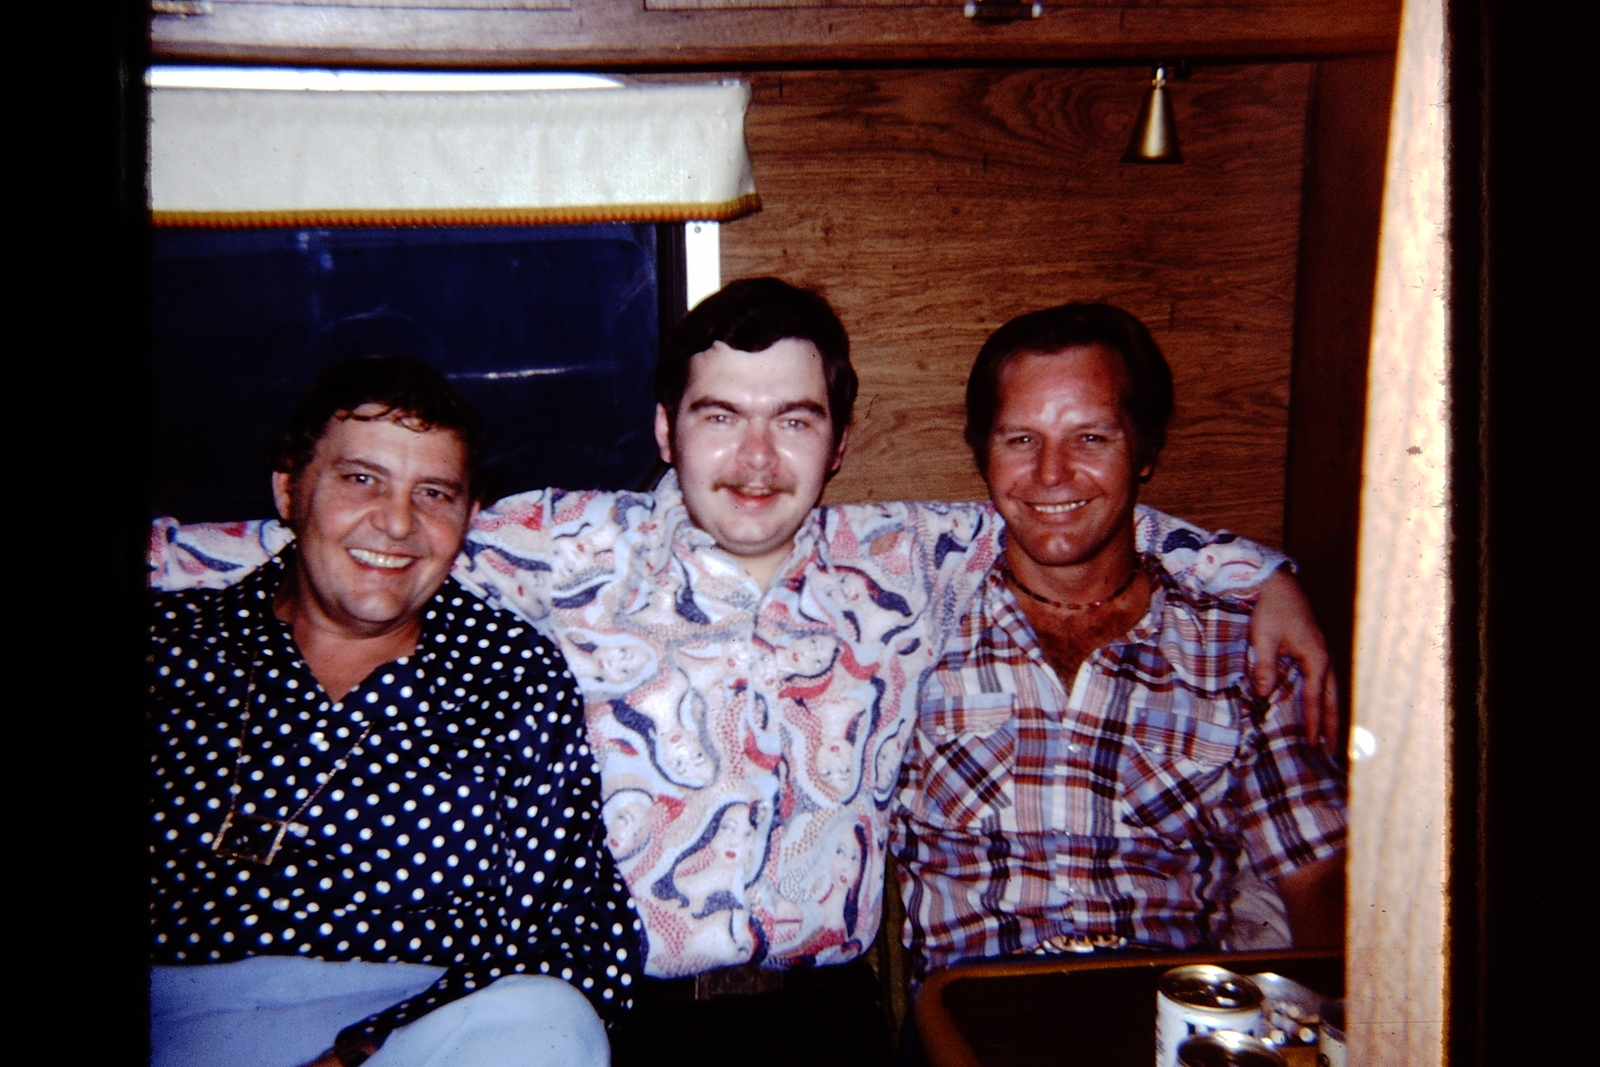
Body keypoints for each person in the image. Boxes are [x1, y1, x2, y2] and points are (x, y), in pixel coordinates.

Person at [150, 279, 1331, 1059]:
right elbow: (350, 535)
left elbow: (1067, 508)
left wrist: (1260, 571)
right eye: (720, 417)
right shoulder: (559, 544)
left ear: (841, 435)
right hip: (623, 1013)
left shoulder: (908, 553)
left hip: (829, 1023)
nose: (758, 458)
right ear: (666, 430)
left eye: (796, 419)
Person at [148, 355, 640, 1067]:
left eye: (434, 492)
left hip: (415, 1026)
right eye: (361, 479)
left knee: (549, 1018)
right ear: (290, 487)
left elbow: (574, 927)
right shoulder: (169, 645)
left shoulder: (509, 675)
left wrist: (362, 1048)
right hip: (175, 1012)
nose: (398, 522)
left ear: (468, 518)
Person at [893, 304, 1347, 985]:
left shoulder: (1241, 646)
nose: (1052, 473)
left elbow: (1319, 876)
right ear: (981, 452)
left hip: (1170, 1011)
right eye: (1020, 439)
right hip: (977, 1019)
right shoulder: (908, 639)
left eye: (1091, 438)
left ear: (1145, 451)